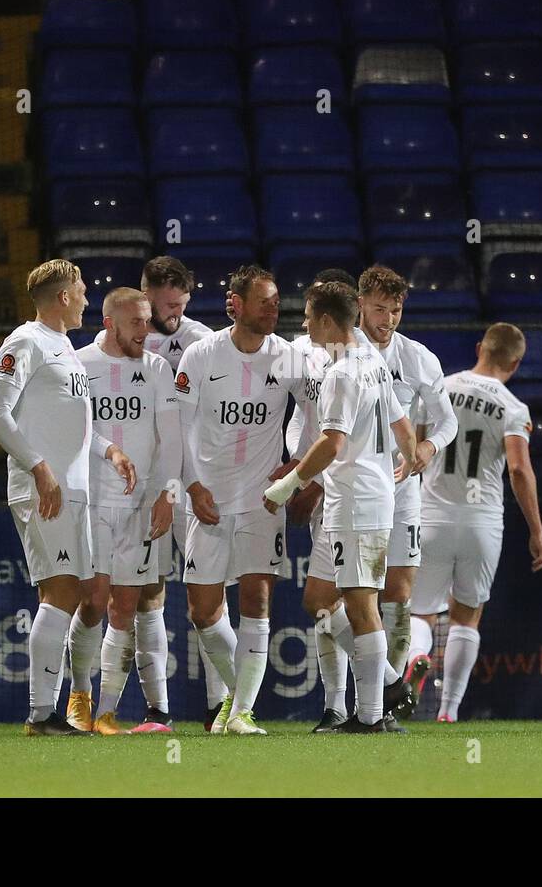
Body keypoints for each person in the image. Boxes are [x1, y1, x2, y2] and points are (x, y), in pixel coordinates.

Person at [0, 260, 135, 736]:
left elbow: (68, 421)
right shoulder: (24, 342)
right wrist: (39, 467)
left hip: (72, 488)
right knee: (62, 592)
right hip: (43, 490)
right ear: (63, 297)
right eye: (83, 291)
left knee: (82, 593)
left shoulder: (63, 347)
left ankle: (60, 709)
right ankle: (40, 715)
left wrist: (109, 450)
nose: (88, 298)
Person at [264, 281, 421, 732]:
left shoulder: (341, 373)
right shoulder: (371, 359)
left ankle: (372, 717)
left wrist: (287, 486)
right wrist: (407, 460)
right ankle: (390, 683)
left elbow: (331, 444)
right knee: (319, 600)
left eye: (310, 315)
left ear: (328, 321)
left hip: (357, 502)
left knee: (360, 604)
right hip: (349, 501)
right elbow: (401, 422)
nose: (304, 323)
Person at [175, 265, 309, 735]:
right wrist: (192, 486)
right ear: (236, 303)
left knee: (257, 596)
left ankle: (242, 714)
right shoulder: (201, 355)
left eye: (277, 301)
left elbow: (317, 414)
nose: (275, 309)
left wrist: (297, 464)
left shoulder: (289, 357)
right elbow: (180, 428)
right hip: (208, 497)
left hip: (261, 500)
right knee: (202, 610)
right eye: (265, 301)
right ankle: (238, 696)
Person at [409, 323, 542, 722]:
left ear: (479, 349)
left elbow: (414, 446)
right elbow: (520, 471)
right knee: (467, 615)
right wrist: (537, 532)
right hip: (481, 520)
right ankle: (449, 711)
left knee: (420, 612)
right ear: (516, 362)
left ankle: (417, 657)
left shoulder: (440, 389)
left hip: (431, 513)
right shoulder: (513, 407)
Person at [68, 287, 180, 735]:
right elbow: (75, 428)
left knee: (126, 607)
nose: (146, 330)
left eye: (148, 320)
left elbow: (171, 439)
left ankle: (107, 713)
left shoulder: (157, 369)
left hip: (141, 507)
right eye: (136, 322)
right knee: (93, 602)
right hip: (93, 500)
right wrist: (110, 451)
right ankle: (79, 695)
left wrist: (167, 495)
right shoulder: (79, 363)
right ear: (110, 322)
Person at [354, 266, 458, 678]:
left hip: (402, 491)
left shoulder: (416, 357)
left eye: (396, 310)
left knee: (398, 595)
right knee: (349, 599)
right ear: (360, 303)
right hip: (353, 490)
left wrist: (429, 446)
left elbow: (446, 421)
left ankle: (389, 699)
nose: (388, 320)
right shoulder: (338, 352)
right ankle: (342, 705)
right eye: (379, 309)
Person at [139, 256, 227, 730]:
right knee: (146, 594)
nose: (175, 311)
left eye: (182, 303)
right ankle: (157, 711)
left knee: (208, 598)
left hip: (192, 482)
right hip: (144, 484)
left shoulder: (202, 342)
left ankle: (223, 707)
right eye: (167, 303)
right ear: (146, 292)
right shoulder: (123, 340)